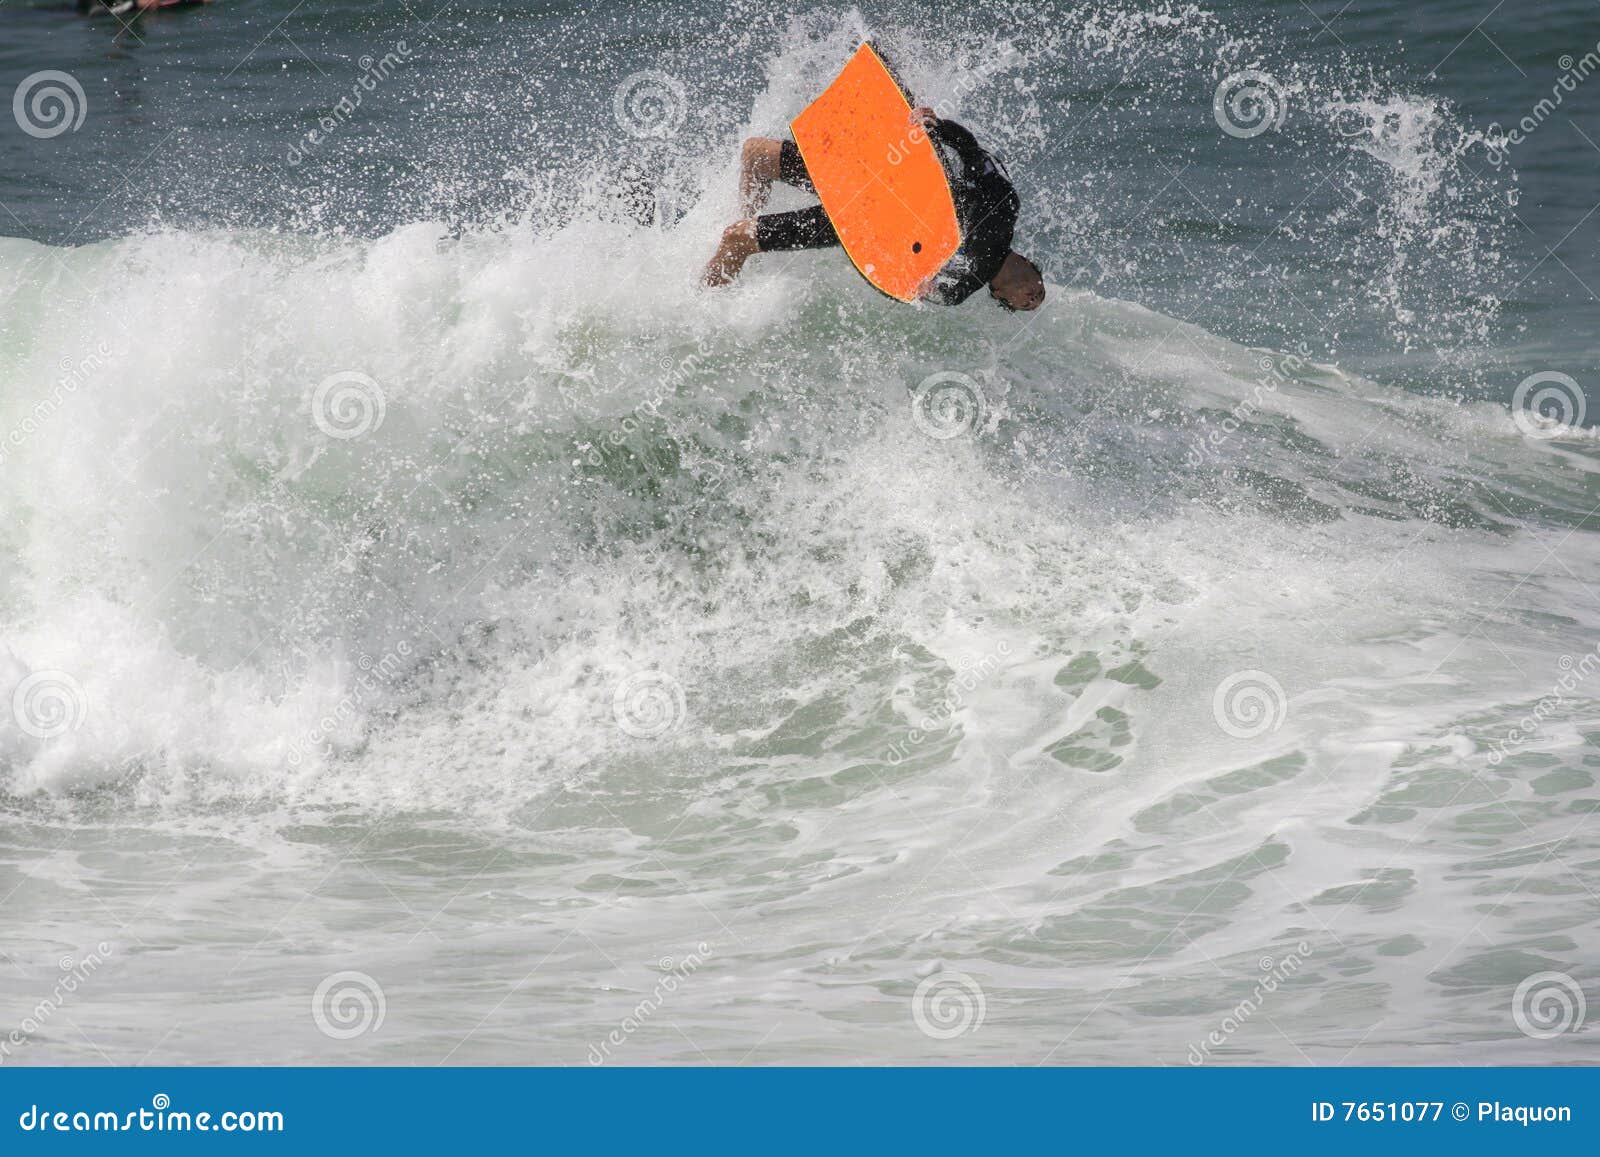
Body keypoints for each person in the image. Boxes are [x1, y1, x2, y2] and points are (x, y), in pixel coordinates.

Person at [703, 106, 1045, 311]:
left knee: (737, 238)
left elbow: (941, 292)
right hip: (879, 176)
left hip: (867, 220)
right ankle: (745, 225)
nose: (1032, 300)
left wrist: (925, 288)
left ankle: (703, 307)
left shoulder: (972, 275)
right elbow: (972, 152)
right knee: (756, 154)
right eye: (1038, 293)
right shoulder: (1005, 206)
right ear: (1030, 264)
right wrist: (938, 125)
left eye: (1025, 306)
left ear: (997, 294)